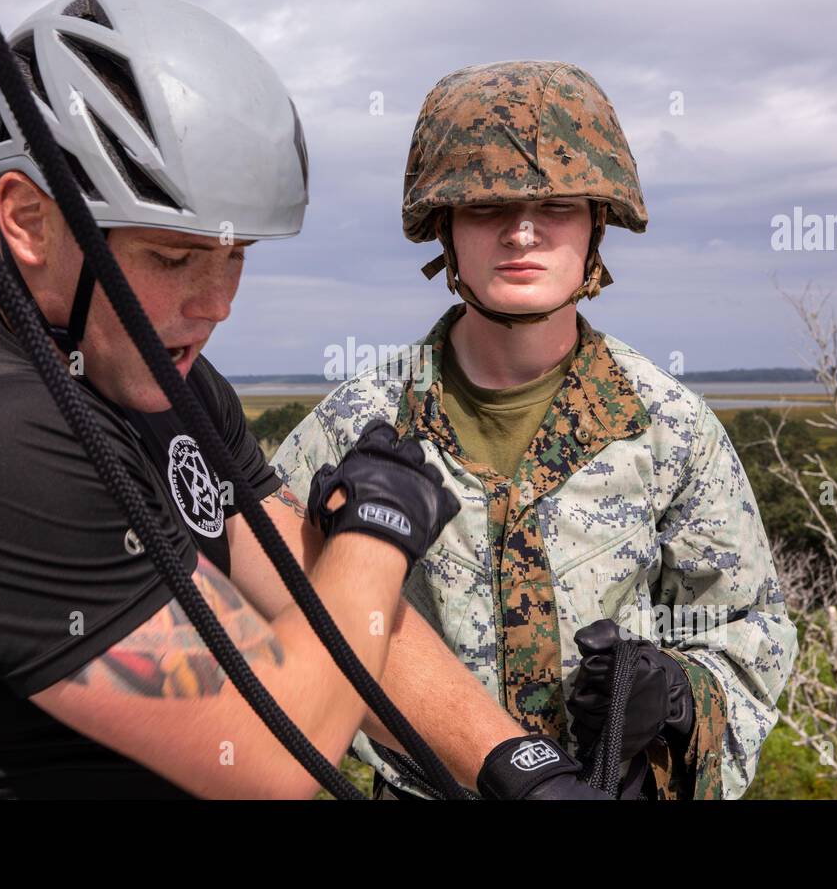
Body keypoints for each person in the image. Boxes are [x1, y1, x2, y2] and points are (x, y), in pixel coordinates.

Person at [0, 0, 595, 800]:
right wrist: (377, 534)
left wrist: (527, 771)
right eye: (172, 257)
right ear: (26, 218)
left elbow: (320, 607)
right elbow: (265, 756)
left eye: (235, 255)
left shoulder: (162, 377)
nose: (217, 304)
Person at [272, 60, 800, 799]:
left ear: (596, 224)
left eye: (556, 204)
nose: (522, 232)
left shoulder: (669, 428)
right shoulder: (356, 429)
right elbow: (263, 629)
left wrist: (677, 696)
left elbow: (749, 632)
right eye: (487, 206)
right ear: (445, 227)